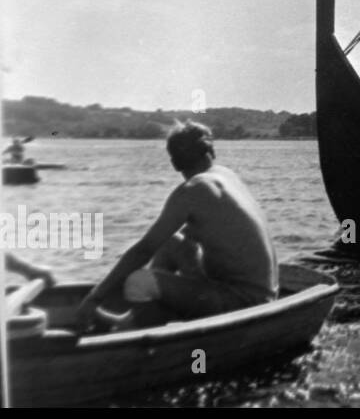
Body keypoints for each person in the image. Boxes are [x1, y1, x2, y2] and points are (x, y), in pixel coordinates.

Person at [75, 121, 278, 330]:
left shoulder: (192, 190)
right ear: (211, 152)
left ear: (174, 164)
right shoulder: (225, 175)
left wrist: (95, 296)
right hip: (263, 293)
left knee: (138, 282)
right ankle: (137, 319)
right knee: (169, 242)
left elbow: (143, 251)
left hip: (244, 302)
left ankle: (134, 331)